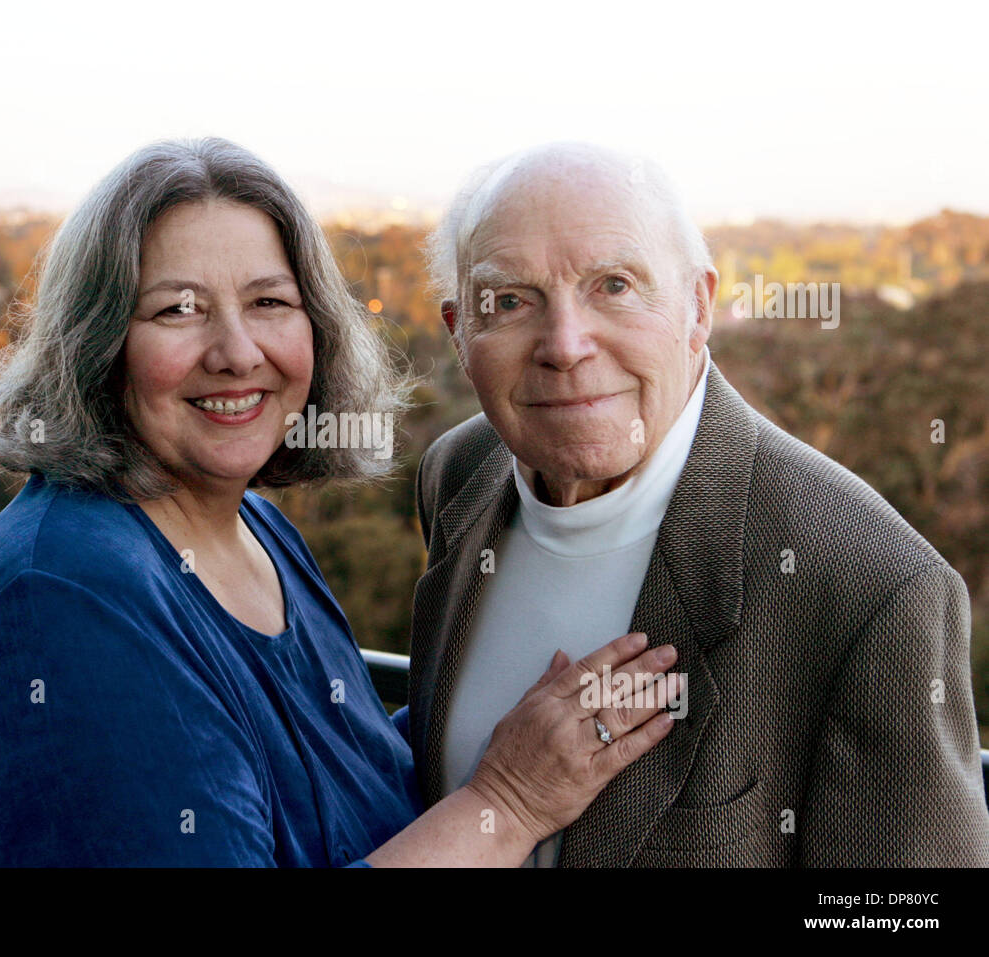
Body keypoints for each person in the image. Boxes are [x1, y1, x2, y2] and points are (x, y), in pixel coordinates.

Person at [0, 137, 680, 867]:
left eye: (269, 302)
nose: (238, 352)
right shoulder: (61, 596)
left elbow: (345, 783)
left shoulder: (257, 532)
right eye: (179, 309)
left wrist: (501, 700)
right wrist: (508, 803)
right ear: (97, 344)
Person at [412, 141, 989, 866]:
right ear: (458, 332)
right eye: (509, 300)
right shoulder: (456, 474)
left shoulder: (871, 585)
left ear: (698, 305)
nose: (564, 344)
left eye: (614, 285)